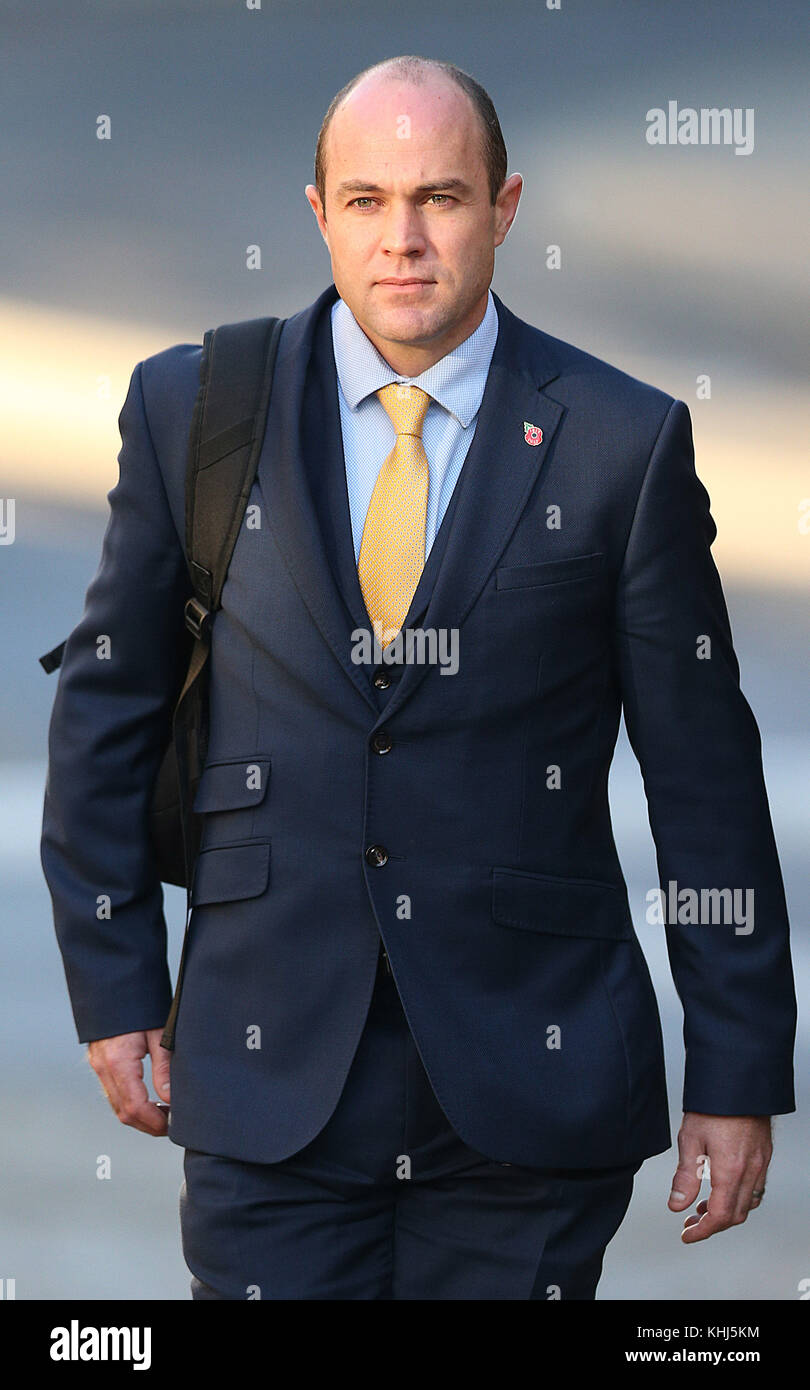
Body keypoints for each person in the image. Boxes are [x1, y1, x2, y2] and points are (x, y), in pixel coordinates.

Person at [41, 54, 796, 1301]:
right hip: (264, 1070)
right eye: (368, 200)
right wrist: (114, 984)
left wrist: (737, 1066)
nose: (404, 239)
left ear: (505, 210)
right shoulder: (196, 409)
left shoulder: (624, 442)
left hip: (529, 1088)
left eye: (441, 199)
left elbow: (705, 775)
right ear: (318, 211)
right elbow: (108, 708)